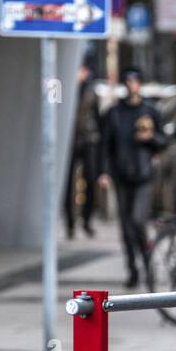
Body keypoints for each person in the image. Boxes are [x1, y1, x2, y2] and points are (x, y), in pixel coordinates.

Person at [100, 67, 167, 288]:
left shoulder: (150, 111)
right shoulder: (114, 113)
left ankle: (147, 263)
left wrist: (150, 138)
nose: (132, 85)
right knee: (126, 227)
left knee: (138, 220)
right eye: (128, 81)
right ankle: (133, 269)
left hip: (143, 175)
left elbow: (163, 141)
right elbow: (106, 145)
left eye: (135, 81)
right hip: (121, 175)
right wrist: (103, 171)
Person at [65, 62, 101, 238]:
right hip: (70, 140)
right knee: (68, 184)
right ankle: (70, 223)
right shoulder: (65, 87)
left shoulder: (91, 90)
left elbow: (97, 116)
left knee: (90, 180)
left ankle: (87, 220)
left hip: (88, 140)